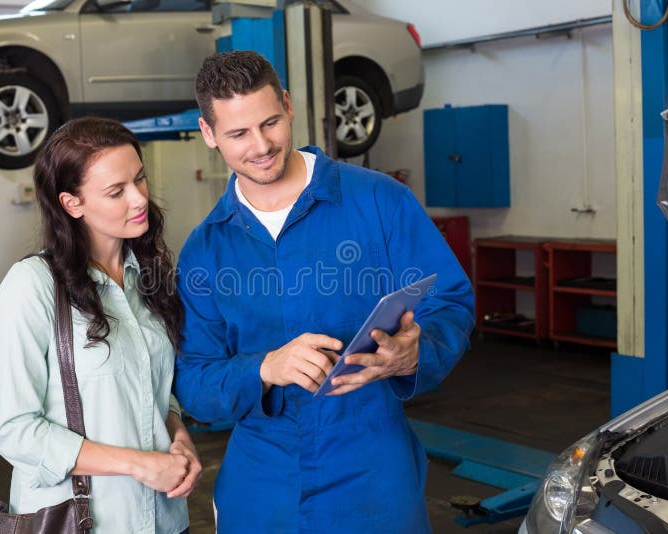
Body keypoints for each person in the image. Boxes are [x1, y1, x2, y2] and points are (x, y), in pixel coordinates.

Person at [174, 50, 475, 532]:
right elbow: (193, 381)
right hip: (263, 480)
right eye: (237, 134)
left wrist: (415, 353)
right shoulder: (204, 251)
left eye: (270, 123)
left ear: (289, 105)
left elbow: (450, 301)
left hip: (373, 467)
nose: (261, 145)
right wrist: (265, 368)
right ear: (208, 133)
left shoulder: (380, 201)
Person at [0, 117, 201, 533]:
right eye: (116, 192)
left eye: (139, 180)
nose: (138, 200)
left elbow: (150, 390)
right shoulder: (32, 287)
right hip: (81, 521)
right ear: (72, 203)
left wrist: (178, 435)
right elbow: (15, 430)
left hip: (164, 519)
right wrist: (138, 465)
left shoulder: (148, 278)